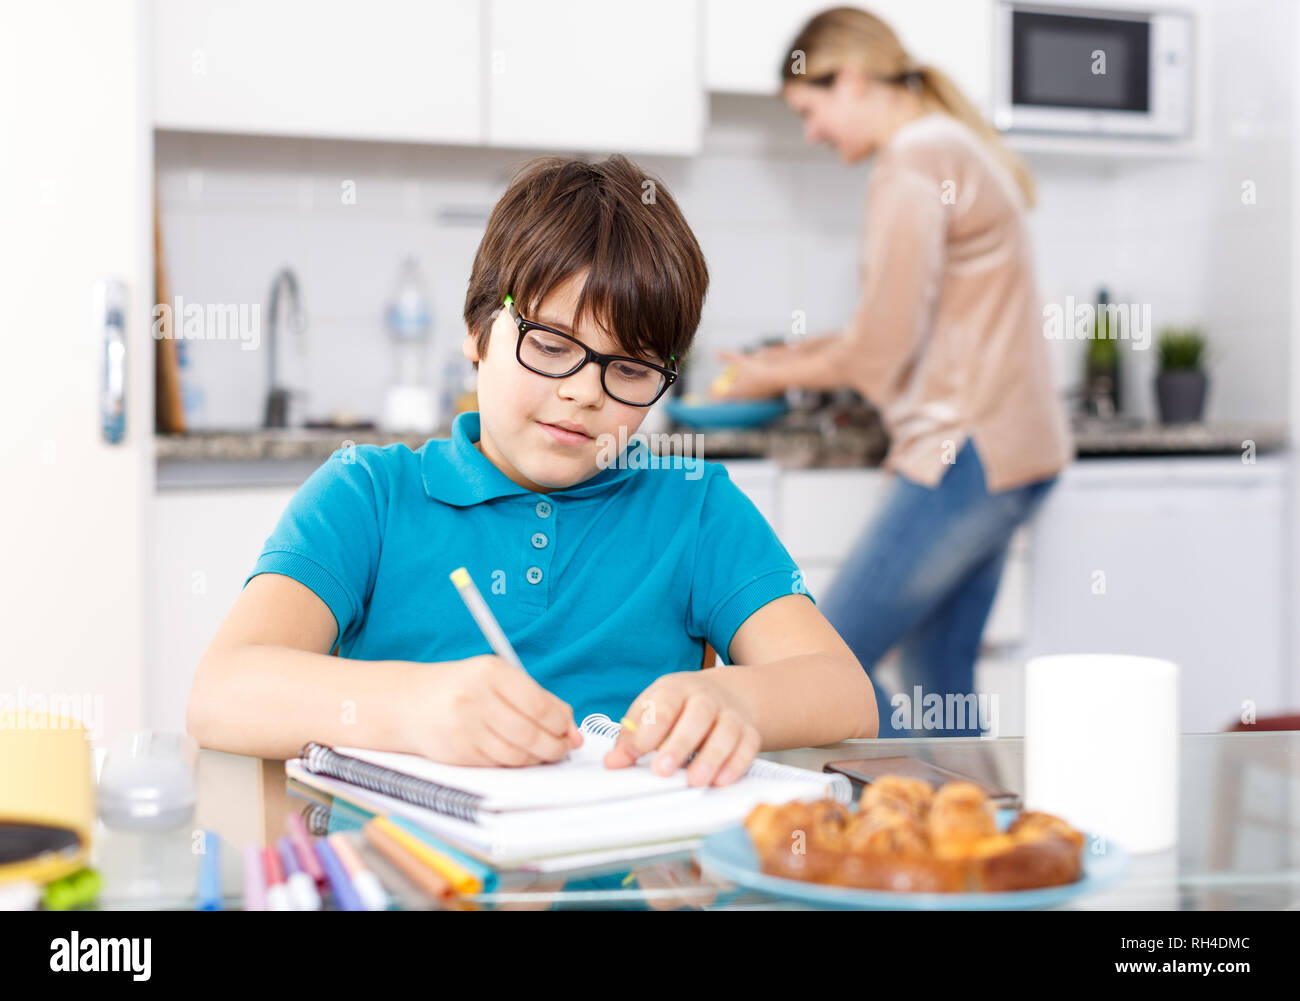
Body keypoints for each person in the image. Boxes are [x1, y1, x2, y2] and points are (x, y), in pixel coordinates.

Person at [187, 154, 878, 782]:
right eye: (550, 344)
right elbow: (222, 693)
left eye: (631, 368)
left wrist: (733, 698)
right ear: (476, 328)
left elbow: (846, 696)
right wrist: (412, 707)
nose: (585, 391)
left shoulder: (694, 508)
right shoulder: (367, 494)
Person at [712, 7, 1071, 738]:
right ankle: (970, 838)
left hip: (966, 451)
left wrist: (767, 377)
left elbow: (879, 350)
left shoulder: (914, 159)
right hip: (1012, 451)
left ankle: (905, 816)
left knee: (828, 664)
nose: (812, 133)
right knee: (940, 674)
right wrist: (779, 362)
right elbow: (898, 329)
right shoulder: (953, 146)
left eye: (811, 111)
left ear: (848, 78)